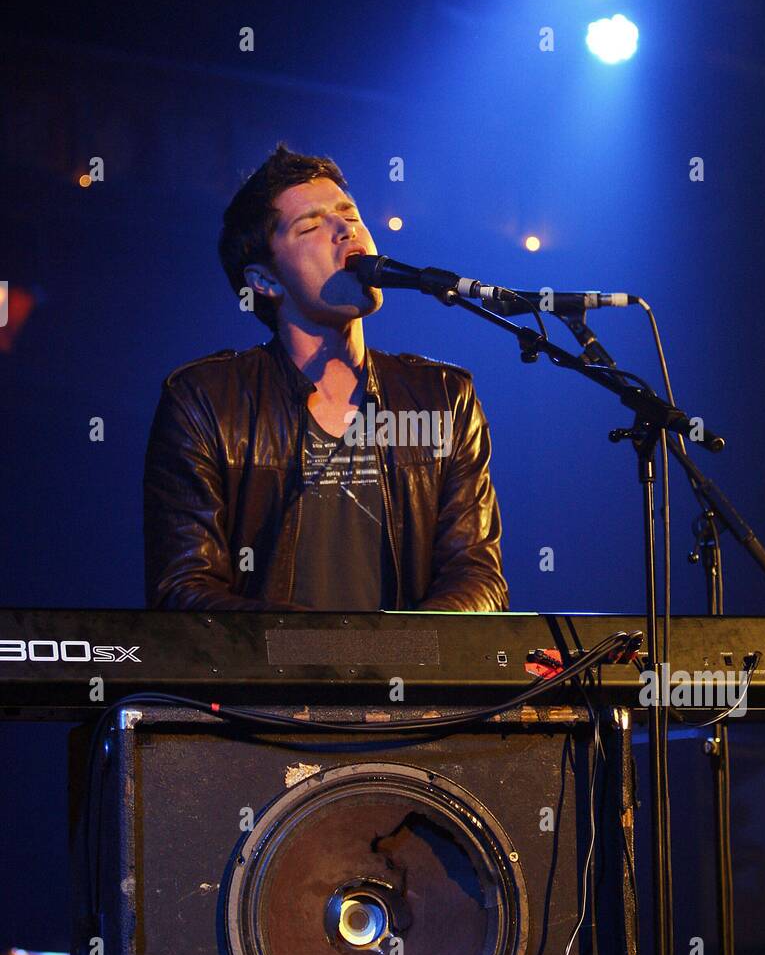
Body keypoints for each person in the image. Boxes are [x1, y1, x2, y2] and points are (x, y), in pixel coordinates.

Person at [143, 144, 508, 612]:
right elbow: (183, 590)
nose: (344, 230)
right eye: (311, 225)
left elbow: (476, 575)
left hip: (410, 681)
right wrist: (323, 652)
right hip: (270, 683)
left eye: (349, 214)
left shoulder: (442, 397)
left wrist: (403, 655)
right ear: (265, 281)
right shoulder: (205, 402)